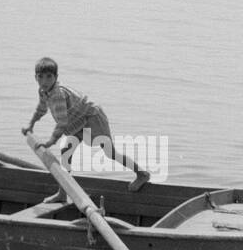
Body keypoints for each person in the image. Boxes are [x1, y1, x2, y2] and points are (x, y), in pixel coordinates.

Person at [22, 57, 148, 202]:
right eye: (40, 77)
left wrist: (50, 142)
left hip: (92, 117)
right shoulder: (43, 91)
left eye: (49, 77)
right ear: (35, 78)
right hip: (76, 122)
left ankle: (142, 174)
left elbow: (62, 122)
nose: (44, 81)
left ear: (56, 77)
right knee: (66, 154)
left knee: (109, 152)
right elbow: (41, 109)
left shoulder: (57, 94)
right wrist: (30, 124)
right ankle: (62, 194)